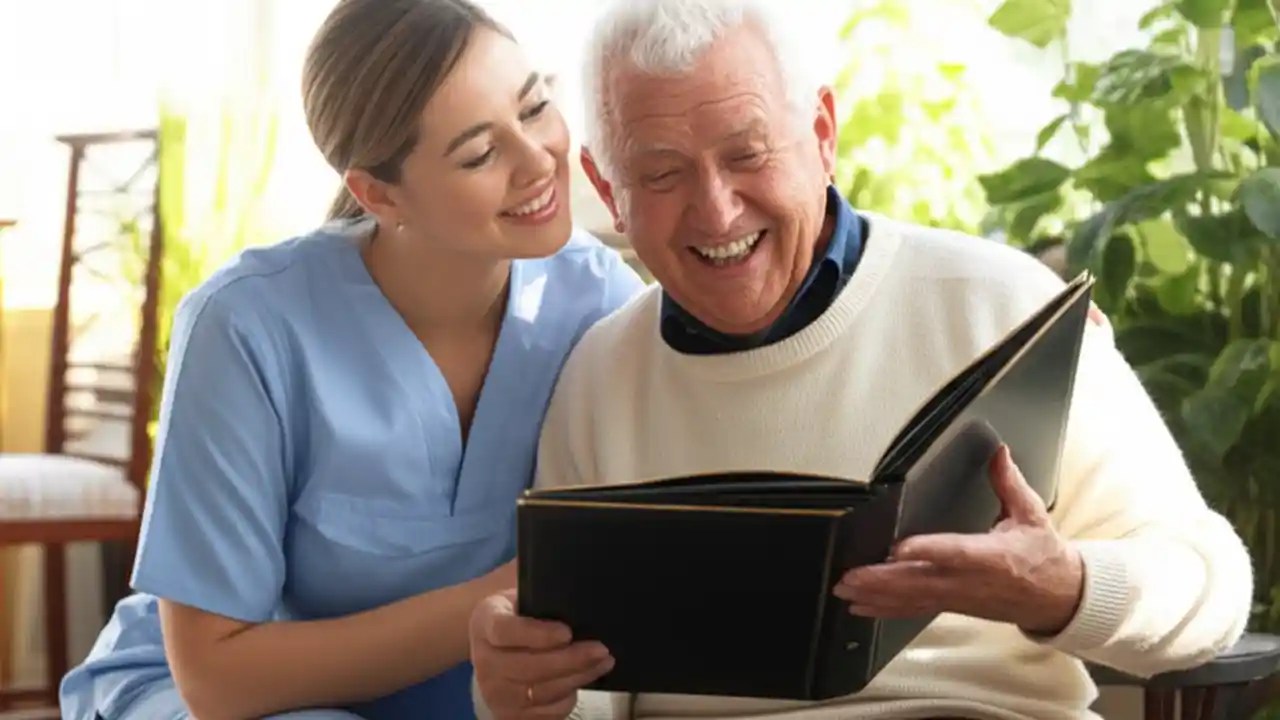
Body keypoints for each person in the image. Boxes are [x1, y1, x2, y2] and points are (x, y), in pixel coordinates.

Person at [466, 1, 1256, 719]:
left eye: (747, 154)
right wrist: (525, 688)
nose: (716, 209)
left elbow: (1209, 589)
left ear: (821, 135)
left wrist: (1063, 588)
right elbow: (590, 692)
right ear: (608, 187)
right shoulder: (601, 377)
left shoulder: (1002, 307)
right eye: (663, 173)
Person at [58, 1, 646, 719]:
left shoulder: (601, 300)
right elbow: (215, 678)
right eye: (479, 154)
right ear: (378, 192)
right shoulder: (247, 325)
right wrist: (512, 592)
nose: (539, 160)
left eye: (534, 108)